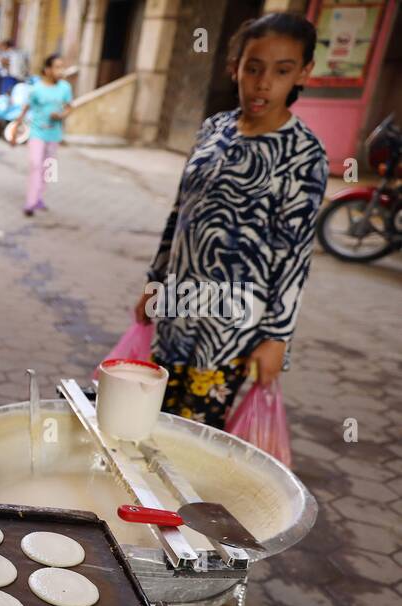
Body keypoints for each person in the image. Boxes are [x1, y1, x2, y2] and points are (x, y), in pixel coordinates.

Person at [133, 14, 327, 428]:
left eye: (281, 70)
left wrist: (277, 338)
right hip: (176, 310)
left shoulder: (304, 153)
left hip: (231, 330)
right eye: (253, 68)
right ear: (234, 65)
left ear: (303, 72)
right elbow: (179, 214)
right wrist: (154, 282)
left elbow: (294, 255)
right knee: (147, 424)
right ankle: (141, 496)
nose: (262, 83)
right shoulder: (213, 129)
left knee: (194, 437)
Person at [12, 54, 72, 215]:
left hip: (54, 135)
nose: (61, 70)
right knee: (35, 165)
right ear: (47, 70)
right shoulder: (36, 89)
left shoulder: (65, 88)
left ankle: (39, 197)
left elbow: (69, 107)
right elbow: (25, 109)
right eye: (57, 67)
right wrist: (15, 132)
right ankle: (30, 203)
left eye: (62, 67)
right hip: (37, 133)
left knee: (49, 171)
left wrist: (61, 116)